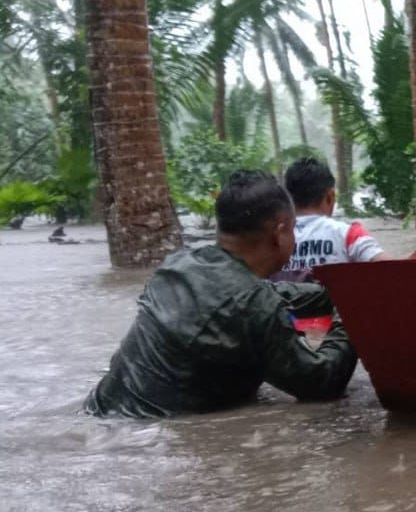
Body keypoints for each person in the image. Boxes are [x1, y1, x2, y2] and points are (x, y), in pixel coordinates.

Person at [84, 170, 358, 418]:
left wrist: (340, 290)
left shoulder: (180, 265)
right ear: (281, 232)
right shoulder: (253, 305)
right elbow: (322, 382)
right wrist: (354, 313)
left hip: (101, 412)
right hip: (143, 434)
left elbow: (267, 294)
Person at [275, 157, 416, 281]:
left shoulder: (272, 239)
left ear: (288, 197)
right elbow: (396, 274)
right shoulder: (348, 234)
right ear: (330, 196)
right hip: (339, 331)